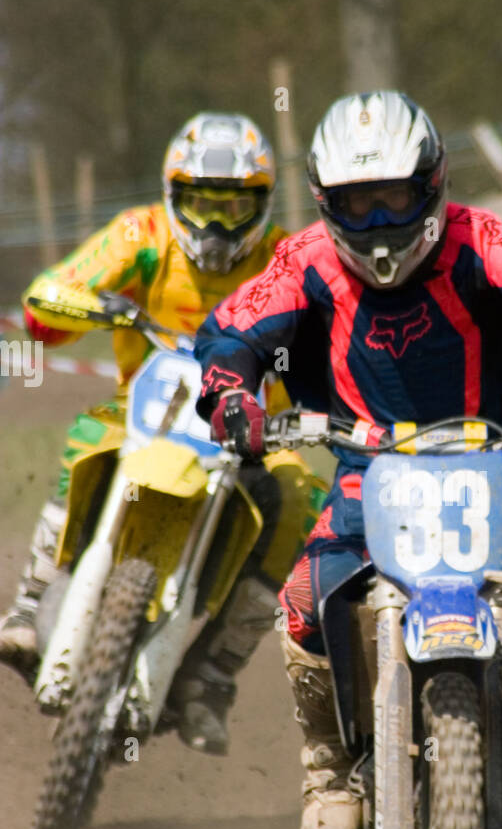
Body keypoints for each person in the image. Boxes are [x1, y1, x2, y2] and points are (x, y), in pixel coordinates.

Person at [194, 90, 502, 829]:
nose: (379, 223)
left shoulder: (479, 242)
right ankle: (327, 770)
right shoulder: (306, 258)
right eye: (357, 204)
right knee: (302, 605)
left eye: (394, 199)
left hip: (485, 473)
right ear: (324, 202)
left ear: (433, 185)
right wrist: (232, 396)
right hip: (361, 479)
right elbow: (233, 332)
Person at [0, 111, 324, 754]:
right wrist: (94, 305)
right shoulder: (141, 235)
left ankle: (214, 674)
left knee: (300, 501)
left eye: (233, 208)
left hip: (256, 429)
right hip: (142, 410)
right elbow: (46, 297)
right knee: (86, 434)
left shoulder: (288, 257)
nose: (215, 224)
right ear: (174, 195)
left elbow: (339, 331)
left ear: (260, 204)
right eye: (201, 204)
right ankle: (31, 605)